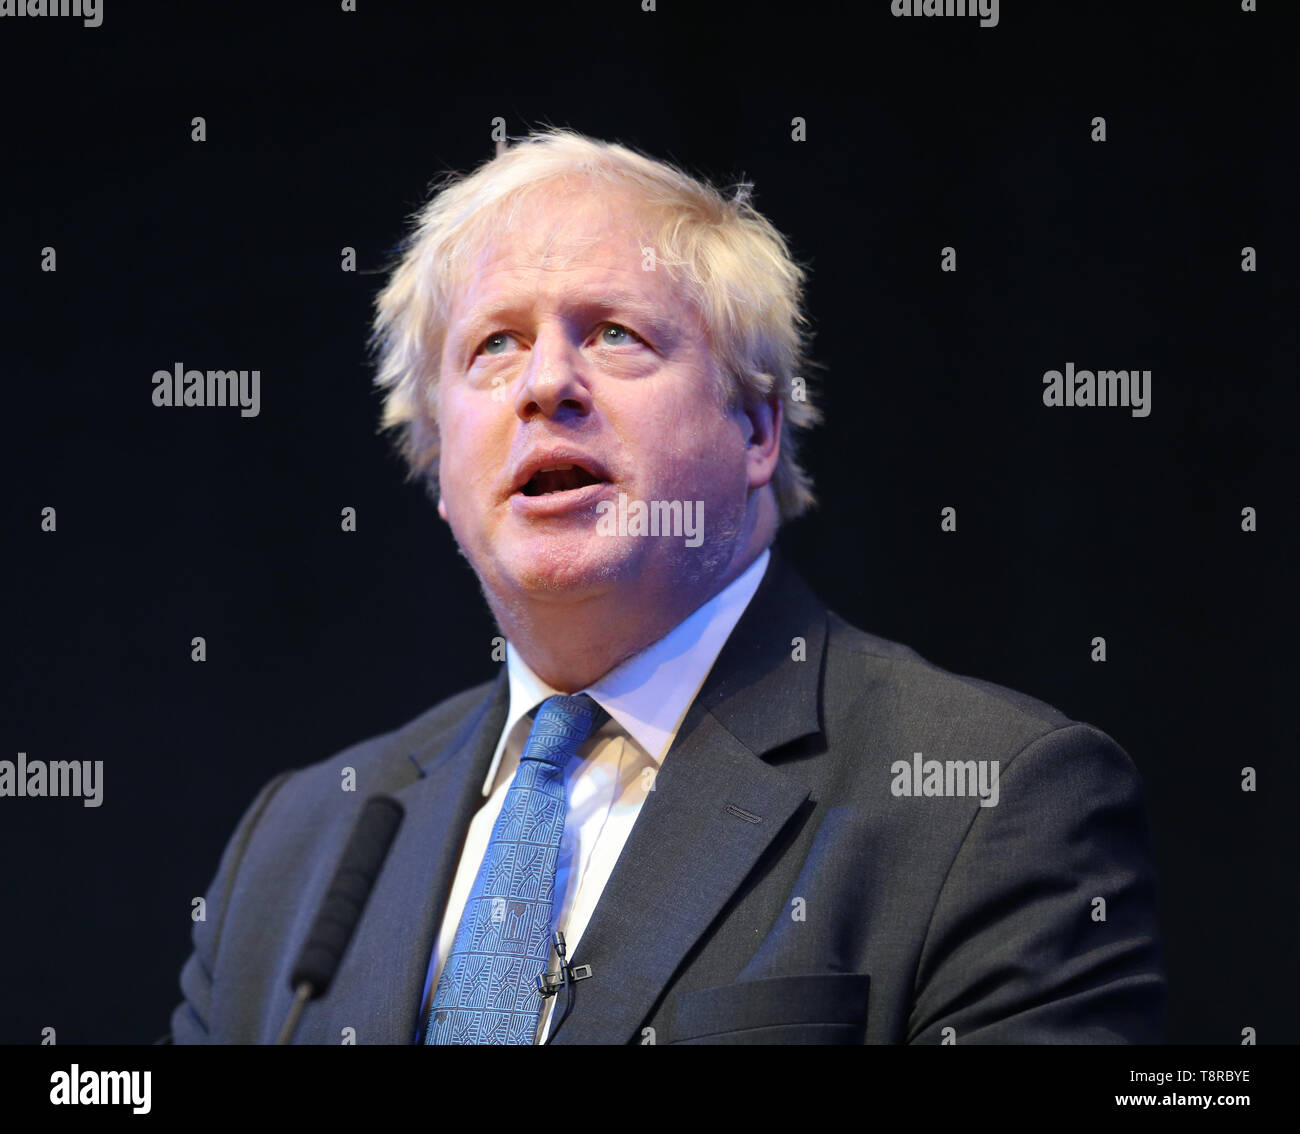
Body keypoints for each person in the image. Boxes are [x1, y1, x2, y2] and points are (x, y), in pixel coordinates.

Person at [170, 128, 1166, 1044]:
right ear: (437, 468)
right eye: (493, 345)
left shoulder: (991, 801)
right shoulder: (293, 850)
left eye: (612, 334)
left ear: (756, 429)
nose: (543, 383)